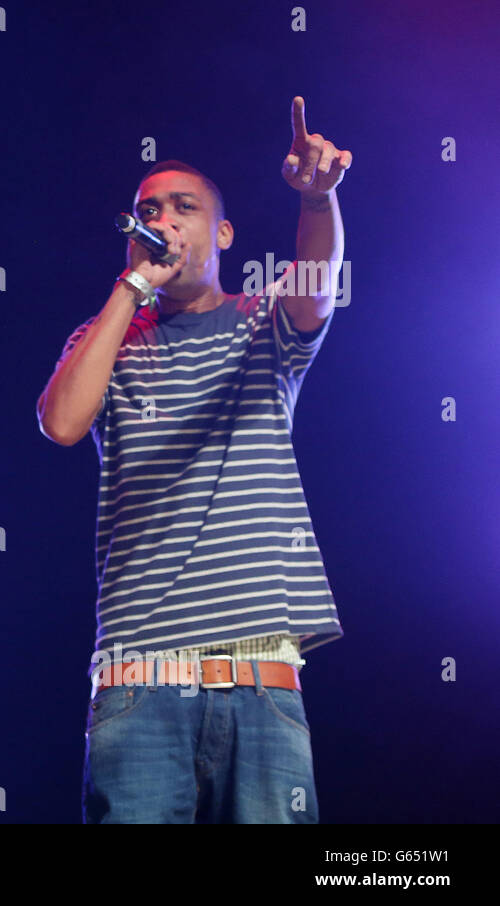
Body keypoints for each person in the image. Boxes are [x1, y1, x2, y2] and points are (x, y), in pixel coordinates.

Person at [37, 97, 351, 823]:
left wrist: (317, 199)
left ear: (224, 232)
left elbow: (314, 285)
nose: (166, 220)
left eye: (185, 207)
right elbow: (59, 423)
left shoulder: (260, 323)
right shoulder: (108, 339)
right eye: (151, 208)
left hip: (259, 679)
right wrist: (133, 287)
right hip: (138, 681)